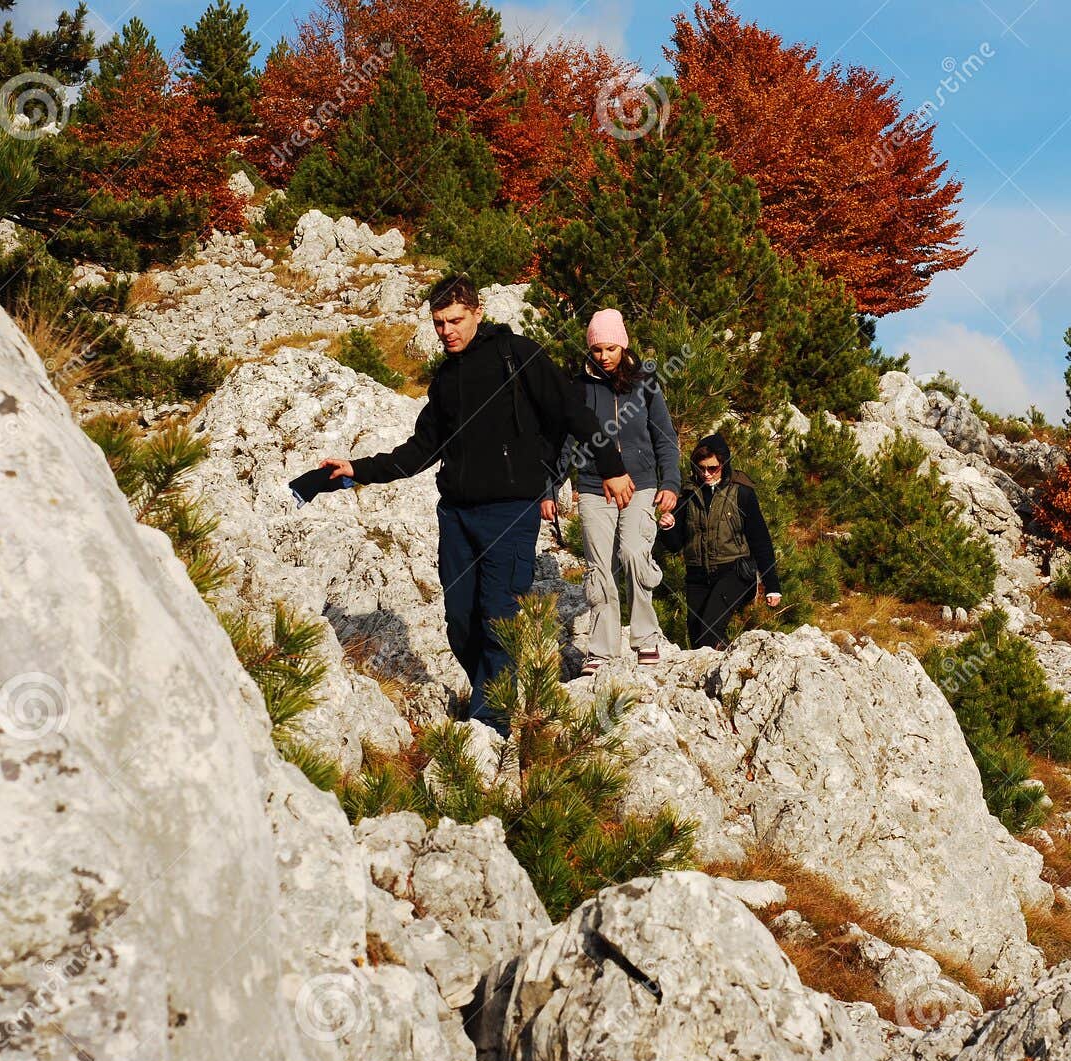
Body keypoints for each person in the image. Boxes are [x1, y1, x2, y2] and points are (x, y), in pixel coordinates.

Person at [317, 274, 633, 731]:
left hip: (511, 512)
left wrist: (612, 466)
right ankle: (492, 699)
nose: (447, 331)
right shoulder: (446, 379)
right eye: (438, 323)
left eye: (455, 320)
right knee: (459, 623)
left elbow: (573, 413)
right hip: (457, 517)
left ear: (478, 312)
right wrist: (358, 469)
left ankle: (493, 723)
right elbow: (421, 449)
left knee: (497, 617)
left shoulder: (519, 355)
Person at [541, 309, 680, 675]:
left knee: (634, 552)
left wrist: (671, 484)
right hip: (592, 485)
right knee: (599, 567)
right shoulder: (579, 387)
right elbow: (564, 442)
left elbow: (665, 436)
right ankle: (600, 650)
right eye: (597, 349)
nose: (603, 356)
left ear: (623, 345)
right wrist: (550, 488)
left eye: (610, 349)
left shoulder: (646, 382)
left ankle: (646, 637)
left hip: (643, 484)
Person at [657, 432, 781, 650]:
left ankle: (731, 670)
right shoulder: (686, 495)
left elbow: (760, 539)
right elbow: (675, 545)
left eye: (712, 468)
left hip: (734, 572)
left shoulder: (742, 492)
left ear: (724, 464)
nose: (706, 474)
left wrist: (772, 586)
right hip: (696, 576)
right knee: (697, 642)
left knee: (709, 631)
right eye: (701, 468)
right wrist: (668, 527)